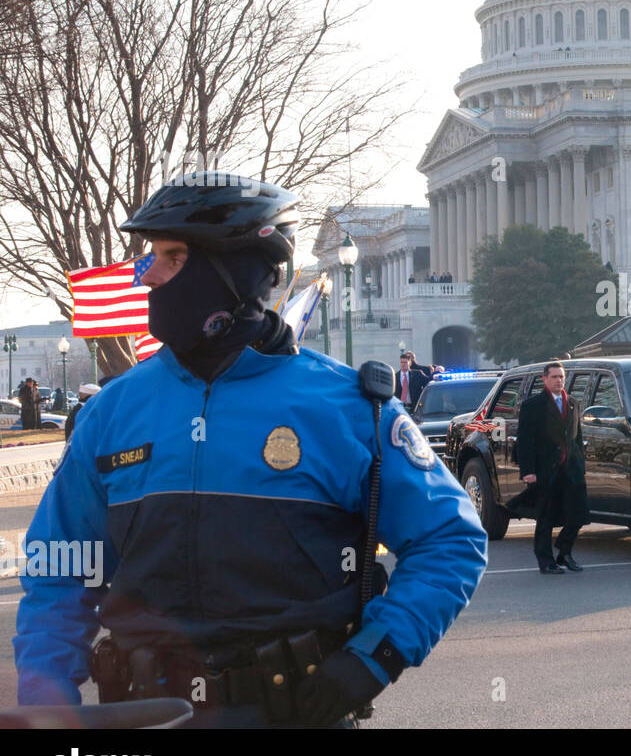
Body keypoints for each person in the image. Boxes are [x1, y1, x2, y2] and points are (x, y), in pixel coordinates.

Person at [15, 171, 488, 727]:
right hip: (141, 718)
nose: (147, 277)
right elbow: (61, 569)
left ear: (233, 272)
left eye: (170, 258)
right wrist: (47, 706)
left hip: (293, 712)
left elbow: (449, 539)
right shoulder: (111, 413)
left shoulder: (351, 408)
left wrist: (376, 657)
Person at [516, 360, 589, 574]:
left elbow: (577, 438)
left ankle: (564, 553)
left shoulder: (573, 403)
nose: (559, 381)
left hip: (571, 469)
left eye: (562, 377)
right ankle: (546, 561)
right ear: (545, 379)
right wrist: (527, 471)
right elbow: (525, 441)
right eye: (555, 377)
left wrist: (580, 465)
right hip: (546, 470)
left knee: (579, 513)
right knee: (546, 518)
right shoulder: (533, 405)